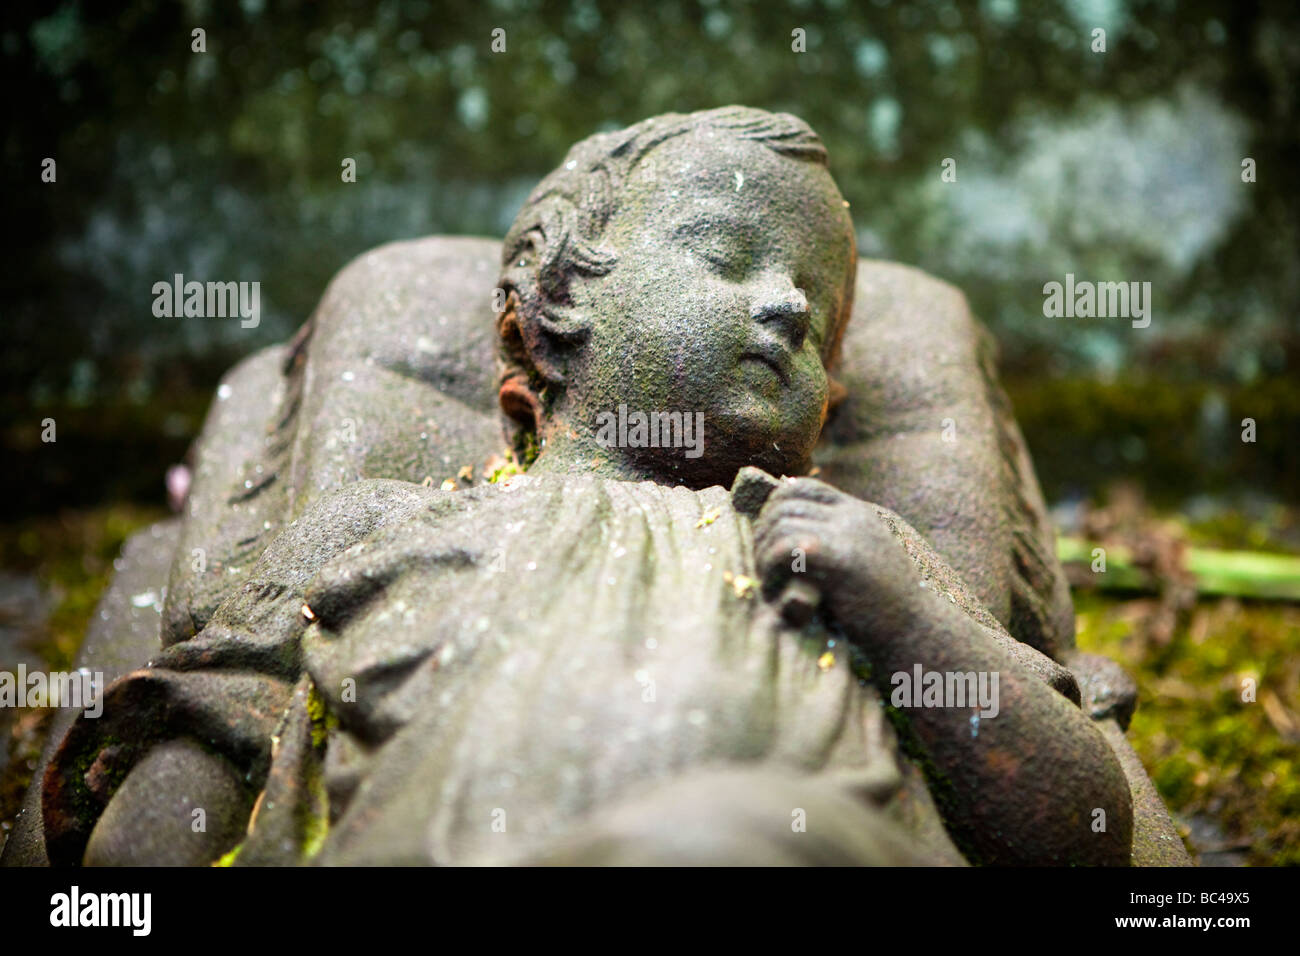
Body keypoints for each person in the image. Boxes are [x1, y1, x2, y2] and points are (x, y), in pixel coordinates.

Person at [42, 107, 1132, 867]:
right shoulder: (376, 530)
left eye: (812, 295)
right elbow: (193, 776)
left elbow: (1079, 827)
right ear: (555, 302)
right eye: (727, 256)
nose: (789, 309)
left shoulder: (857, 557)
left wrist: (904, 611)